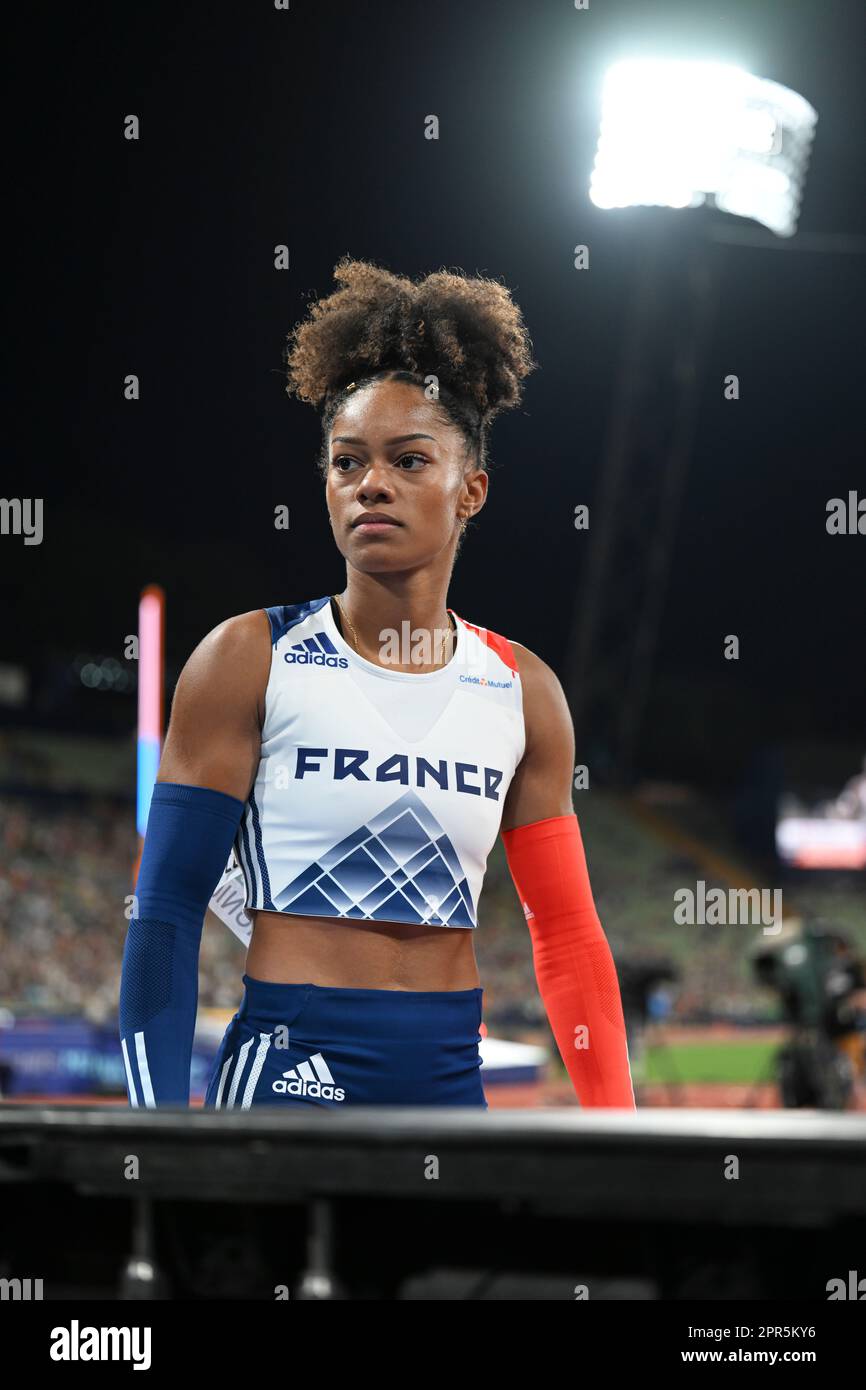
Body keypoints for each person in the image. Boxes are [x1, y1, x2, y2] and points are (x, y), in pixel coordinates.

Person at [118, 256, 635, 1110]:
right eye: (347, 462)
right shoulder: (249, 657)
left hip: (447, 1078)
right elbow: (166, 909)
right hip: (289, 1072)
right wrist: (157, 1133)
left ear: (471, 490)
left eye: (408, 460)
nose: (372, 485)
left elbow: (570, 935)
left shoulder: (523, 690)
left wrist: (621, 1135)